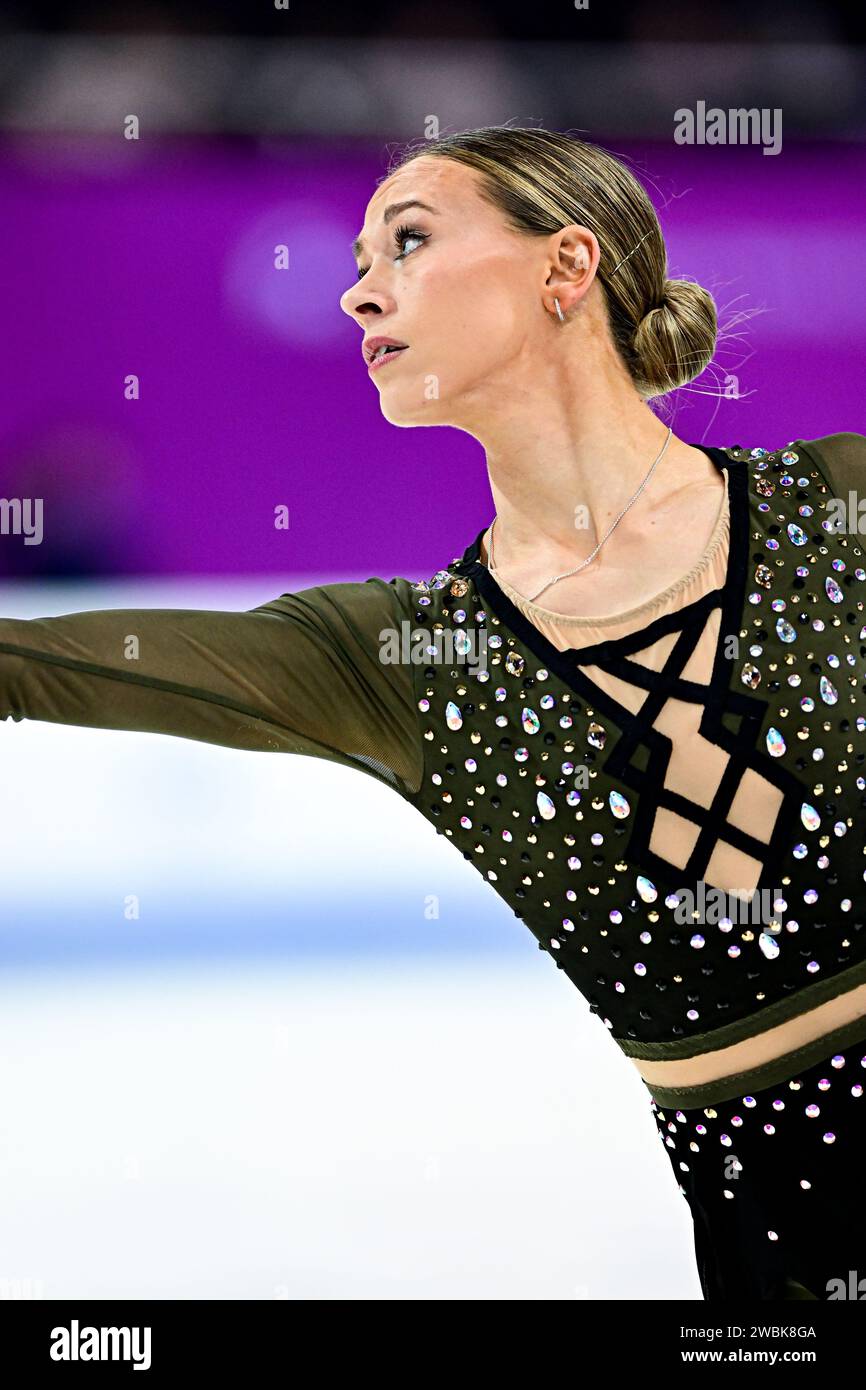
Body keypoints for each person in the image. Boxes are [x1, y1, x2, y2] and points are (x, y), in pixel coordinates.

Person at [3, 124, 865, 1300]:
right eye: (360, 261)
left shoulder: (840, 508)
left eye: (406, 242)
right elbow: (28, 661)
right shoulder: (407, 660)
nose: (358, 293)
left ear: (566, 269)